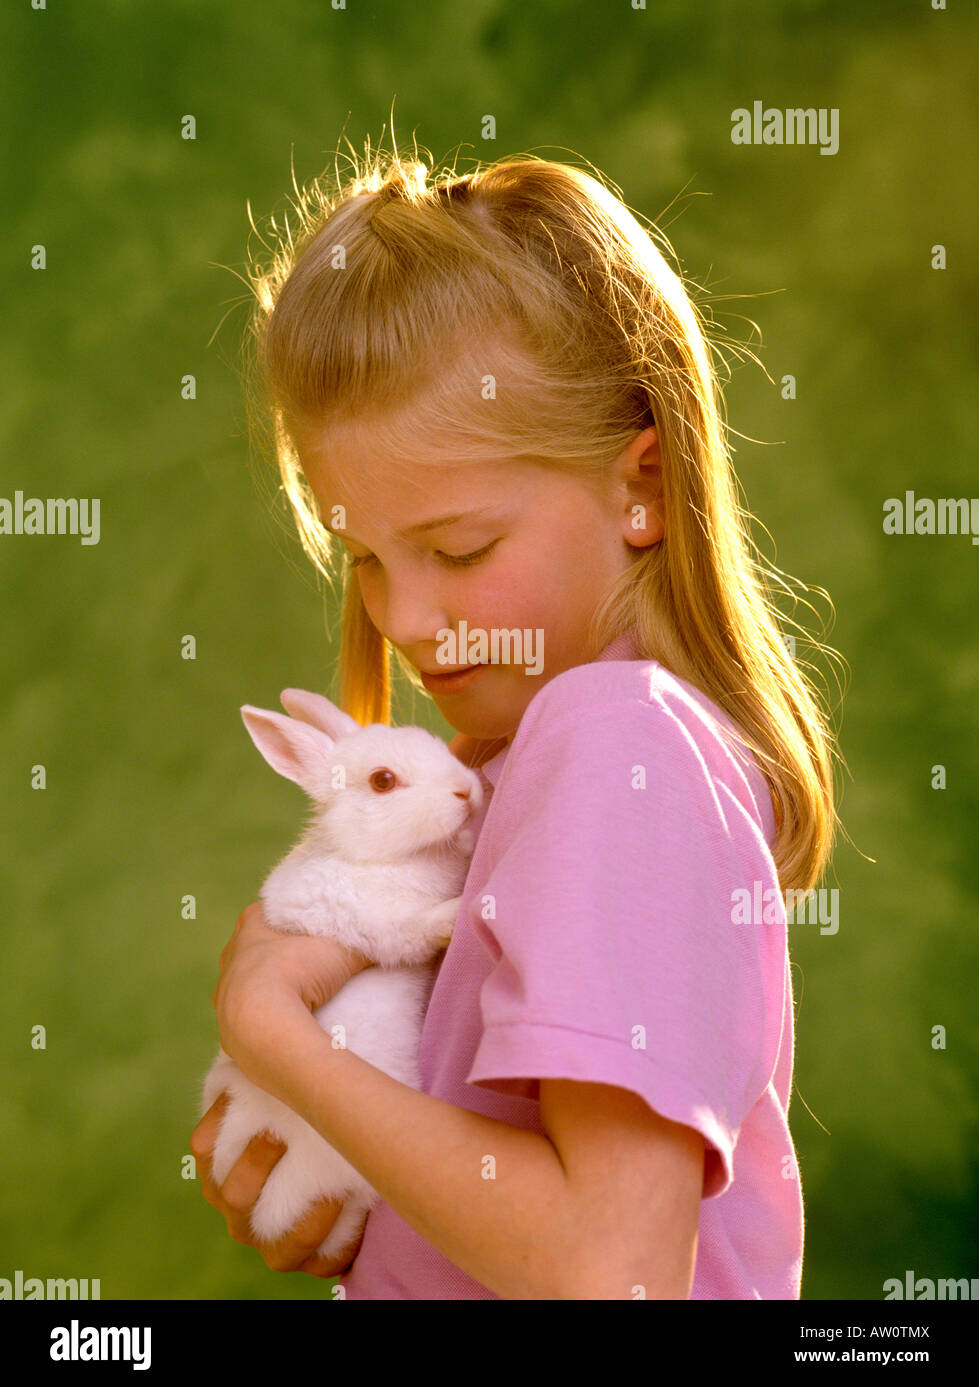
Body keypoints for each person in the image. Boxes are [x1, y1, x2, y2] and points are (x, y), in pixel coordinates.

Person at [190, 143, 840, 1299]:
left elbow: (609, 1264)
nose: (405, 617)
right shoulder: (519, 766)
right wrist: (356, 1201)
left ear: (640, 486)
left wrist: (271, 1031)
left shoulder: (617, 743)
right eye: (367, 563)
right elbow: (501, 1202)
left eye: (459, 549)